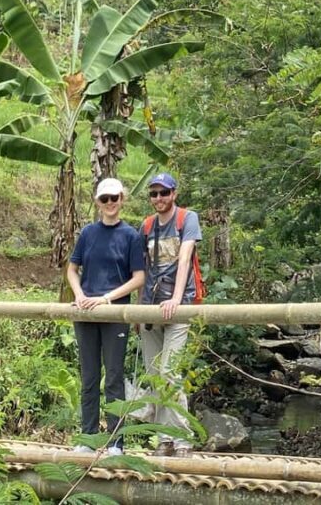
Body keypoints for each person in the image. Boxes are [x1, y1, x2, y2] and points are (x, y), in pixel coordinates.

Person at [67, 178, 145, 455]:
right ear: (98, 202)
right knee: (88, 376)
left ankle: (116, 442)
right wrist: (79, 294)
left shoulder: (131, 236)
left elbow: (138, 278)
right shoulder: (88, 233)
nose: (110, 203)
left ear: (122, 199)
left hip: (115, 314)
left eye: (114, 198)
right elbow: (72, 269)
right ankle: (88, 438)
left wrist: (107, 297)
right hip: (86, 314)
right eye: (105, 199)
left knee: (113, 377)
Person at [139, 172, 202, 458]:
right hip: (152, 305)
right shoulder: (147, 225)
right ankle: (164, 439)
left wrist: (176, 299)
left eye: (164, 193)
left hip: (180, 303)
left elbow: (185, 258)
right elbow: (142, 269)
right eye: (154, 194)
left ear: (174, 194)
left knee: (169, 372)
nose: (159, 198)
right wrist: (139, 310)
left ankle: (183, 440)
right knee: (154, 374)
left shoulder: (186, 219)